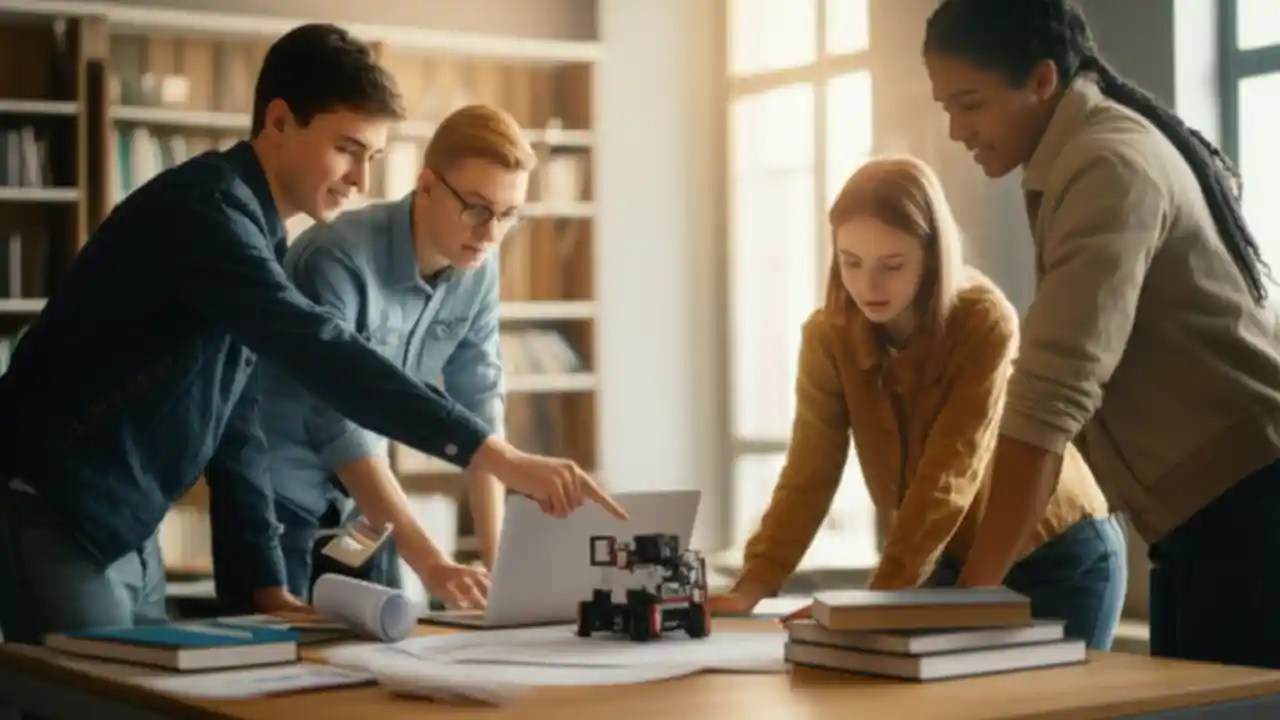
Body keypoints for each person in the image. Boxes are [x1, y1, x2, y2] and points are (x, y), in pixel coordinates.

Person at [0, 23, 625, 644]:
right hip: (56, 508)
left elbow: (234, 421)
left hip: (131, 526)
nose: (361, 180)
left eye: (373, 158)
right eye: (348, 149)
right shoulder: (207, 214)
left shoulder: (261, 234)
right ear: (278, 122)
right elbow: (321, 349)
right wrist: (495, 454)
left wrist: (262, 582)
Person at [922, 0, 1280, 668]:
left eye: (968, 103)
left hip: (1253, 512)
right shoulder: (1090, 152)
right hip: (1211, 520)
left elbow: (1050, 395)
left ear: (1041, 79)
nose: (956, 130)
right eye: (946, 107)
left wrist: (974, 598)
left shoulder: (1107, 164)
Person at [707, 156, 1125, 649]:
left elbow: (949, 476)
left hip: (1058, 558)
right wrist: (752, 586)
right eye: (850, 262)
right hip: (948, 562)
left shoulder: (983, 321)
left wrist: (871, 606)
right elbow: (808, 473)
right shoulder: (828, 335)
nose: (867, 286)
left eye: (892, 265)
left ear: (932, 256)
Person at [213, 104, 535, 612]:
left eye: (508, 215)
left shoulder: (479, 266)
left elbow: (481, 418)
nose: (491, 233)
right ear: (426, 184)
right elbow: (342, 428)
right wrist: (431, 563)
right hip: (279, 503)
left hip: (363, 514)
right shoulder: (336, 256)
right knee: (286, 676)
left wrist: (502, 575)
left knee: (379, 666)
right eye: (476, 207)